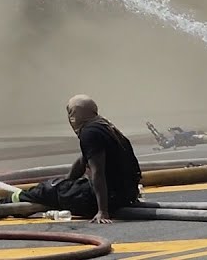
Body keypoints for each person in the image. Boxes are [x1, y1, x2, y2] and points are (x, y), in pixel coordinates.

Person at [9, 95, 142, 223]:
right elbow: (83, 160)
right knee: (59, 186)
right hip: (125, 195)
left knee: (47, 189)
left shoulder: (89, 133)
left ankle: (6, 202)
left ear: (75, 114)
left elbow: (98, 172)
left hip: (105, 199)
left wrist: (103, 210)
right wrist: (67, 182)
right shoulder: (107, 127)